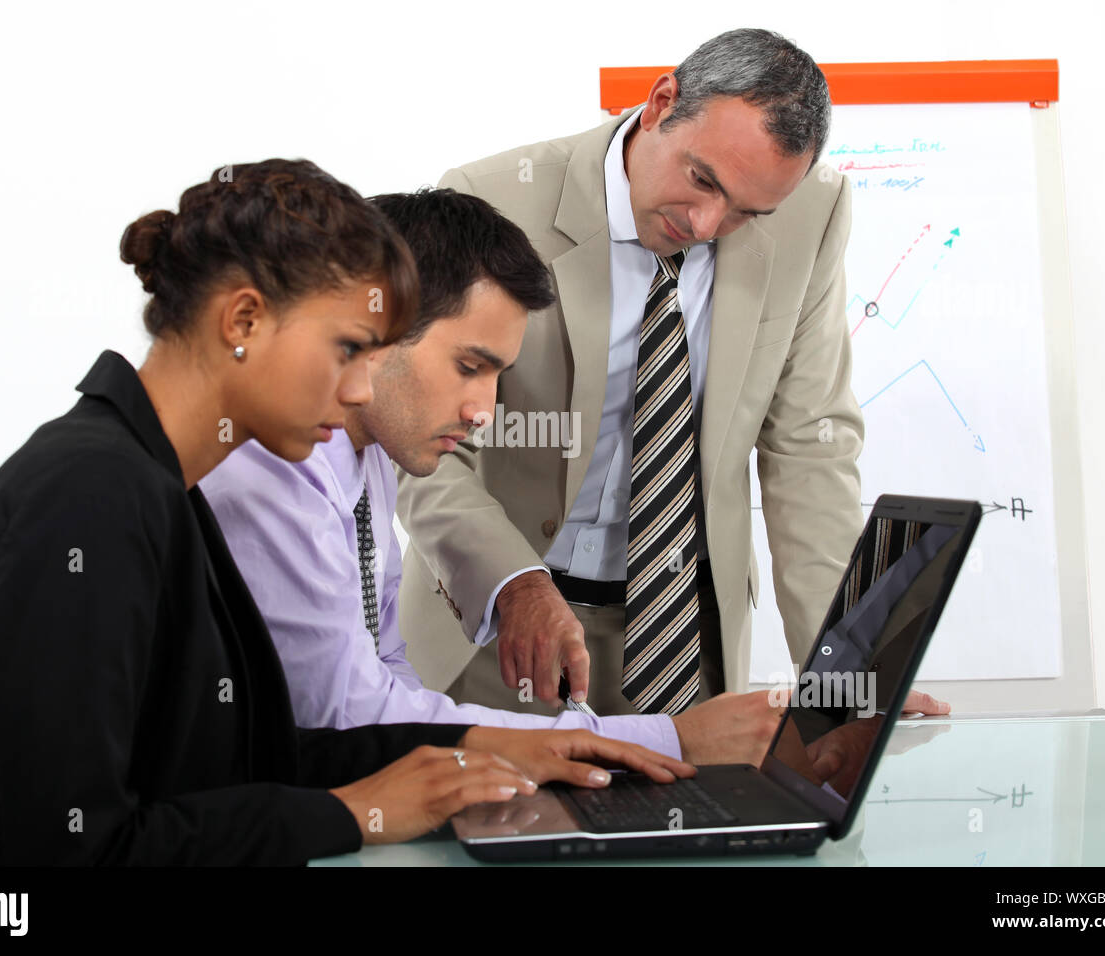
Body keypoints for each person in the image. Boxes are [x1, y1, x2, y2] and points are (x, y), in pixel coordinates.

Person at [0, 159, 692, 867]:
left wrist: (483, 749)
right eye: (350, 349)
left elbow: (246, 754)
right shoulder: (94, 495)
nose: (358, 390)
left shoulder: (156, 482)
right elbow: (73, 851)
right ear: (243, 322)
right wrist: (350, 814)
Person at [395, 28, 950, 723]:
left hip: (688, 640)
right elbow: (412, 438)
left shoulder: (815, 214)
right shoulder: (492, 198)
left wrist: (851, 665)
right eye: (703, 180)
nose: (708, 223)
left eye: (748, 212)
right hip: (500, 628)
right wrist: (513, 581)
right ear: (661, 103)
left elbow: (809, 447)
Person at [200, 187, 786, 768]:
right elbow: (348, 717)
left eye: (497, 376)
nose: (483, 412)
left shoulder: (368, 452)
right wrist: (665, 740)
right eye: (469, 367)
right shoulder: (276, 465)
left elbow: (388, 671)